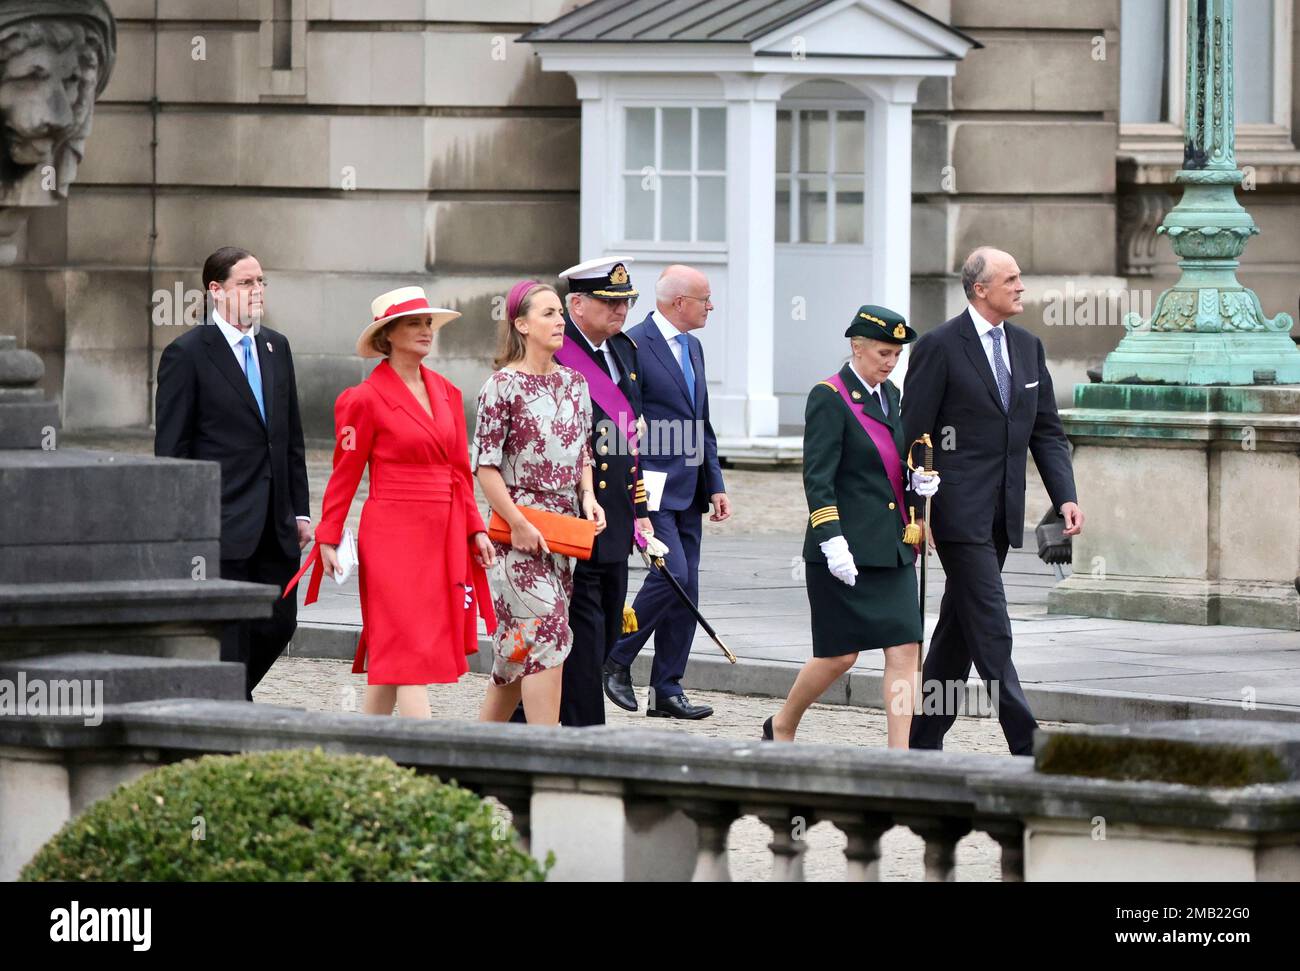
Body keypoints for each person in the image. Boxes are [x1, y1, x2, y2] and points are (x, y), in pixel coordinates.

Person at [903, 246, 1084, 756]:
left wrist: (1064, 497)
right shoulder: (939, 346)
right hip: (956, 515)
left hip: (1004, 514)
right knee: (991, 624)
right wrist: (919, 512)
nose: (1021, 286)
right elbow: (912, 435)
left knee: (957, 633)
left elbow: (1046, 431)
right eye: (1011, 279)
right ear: (980, 289)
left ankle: (922, 740)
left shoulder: (1028, 347)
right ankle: (1027, 743)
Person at [288, 286, 497, 718]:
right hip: (391, 537)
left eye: (427, 323)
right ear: (388, 335)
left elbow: (460, 471)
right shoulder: (363, 399)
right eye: (414, 323)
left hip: (441, 532)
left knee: (393, 652)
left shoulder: (448, 393)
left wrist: (475, 529)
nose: (425, 331)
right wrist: (328, 536)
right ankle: (427, 762)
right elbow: (344, 476)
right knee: (407, 648)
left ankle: (366, 756)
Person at [763, 306, 939, 747]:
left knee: (904, 650)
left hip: (893, 546)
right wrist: (832, 540)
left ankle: (900, 756)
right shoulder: (829, 396)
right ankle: (783, 723)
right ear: (856, 347)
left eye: (896, 354)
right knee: (839, 655)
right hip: (844, 551)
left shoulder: (891, 396)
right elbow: (818, 478)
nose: (890, 361)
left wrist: (916, 481)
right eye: (883, 352)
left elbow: (890, 463)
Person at [155, 246, 311, 700]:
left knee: (280, 623)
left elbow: (291, 440)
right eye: (246, 282)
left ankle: (224, 698)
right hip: (220, 522)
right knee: (231, 630)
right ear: (216, 291)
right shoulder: (187, 353)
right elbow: (172, 451)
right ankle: (231, 710)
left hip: (276, 523)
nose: (257, 290)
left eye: (261, 281)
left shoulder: (275, 347)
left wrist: (300, 510)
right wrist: (185, 524)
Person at [472, 280, 607, 726]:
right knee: (548, 633)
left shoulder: (575, 383)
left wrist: (589, 497)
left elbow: (583, 452)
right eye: (548, 313)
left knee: (517, 653)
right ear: (521, 324)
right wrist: (517, 523)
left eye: (560, 313)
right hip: (518, 536)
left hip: (562, 536)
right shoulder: (502, 387)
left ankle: (470, 759)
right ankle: (546, 755)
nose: (559, 321)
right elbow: (486, 467)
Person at [603, 265, 728, 720]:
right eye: (705, 298)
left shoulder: (693, 347)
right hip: (649, 489)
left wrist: (715, 482)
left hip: (690, 487)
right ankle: (616, 656)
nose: (710, 306)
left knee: (687, 587)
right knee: (670, 574)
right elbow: (623, 424)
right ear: (679, 303)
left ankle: (667, 688)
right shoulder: (632, 345)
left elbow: (701, 423)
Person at [548, 256, 651, 726]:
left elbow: (632, 445)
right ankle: (585, 731)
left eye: (625, 302)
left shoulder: (625, 352)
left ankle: (527, 714)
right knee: (583, 632)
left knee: (608, 625)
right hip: (575, 511)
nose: (620, 311)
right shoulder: (556, 352)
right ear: (577, 304)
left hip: (617, 515)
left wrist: (642, 510)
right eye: (609, 303)